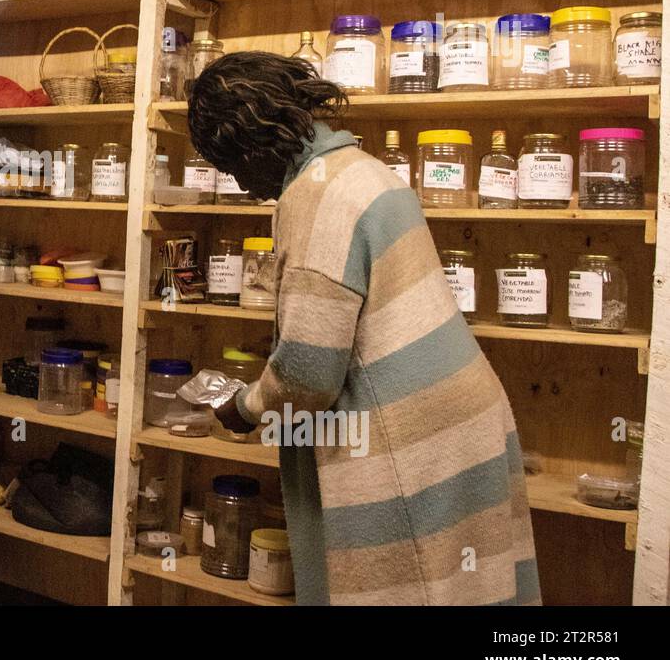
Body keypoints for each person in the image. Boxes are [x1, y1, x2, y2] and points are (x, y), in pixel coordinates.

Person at [187, 50, 539, 605]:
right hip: (459, 417)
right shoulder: (364, 168)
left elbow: (307, 376)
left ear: (251, 141)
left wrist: (245, 408)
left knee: (408, 589)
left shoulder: (313, 195)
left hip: (407, 436)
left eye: (231, 163)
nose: (240, 182)